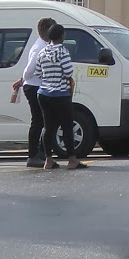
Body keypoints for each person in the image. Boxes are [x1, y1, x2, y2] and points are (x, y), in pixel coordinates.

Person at [35, 24, 85, 170]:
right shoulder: (63, 52)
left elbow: (38, 72)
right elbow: (68, 72)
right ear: (61, 36)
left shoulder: (43, 52)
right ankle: (72, 159)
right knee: (67, 126)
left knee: (48, 127)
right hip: (61, 94)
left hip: (43, 93)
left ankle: (48, 159)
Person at [11, 16, 56, 168]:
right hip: (34, 87)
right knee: (39, 121)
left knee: (44, 121)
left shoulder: (43, 45)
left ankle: (41, 153)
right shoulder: (39, 47)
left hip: (35, 86)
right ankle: (34, 155)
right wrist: (26, 78)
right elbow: (29, 70)